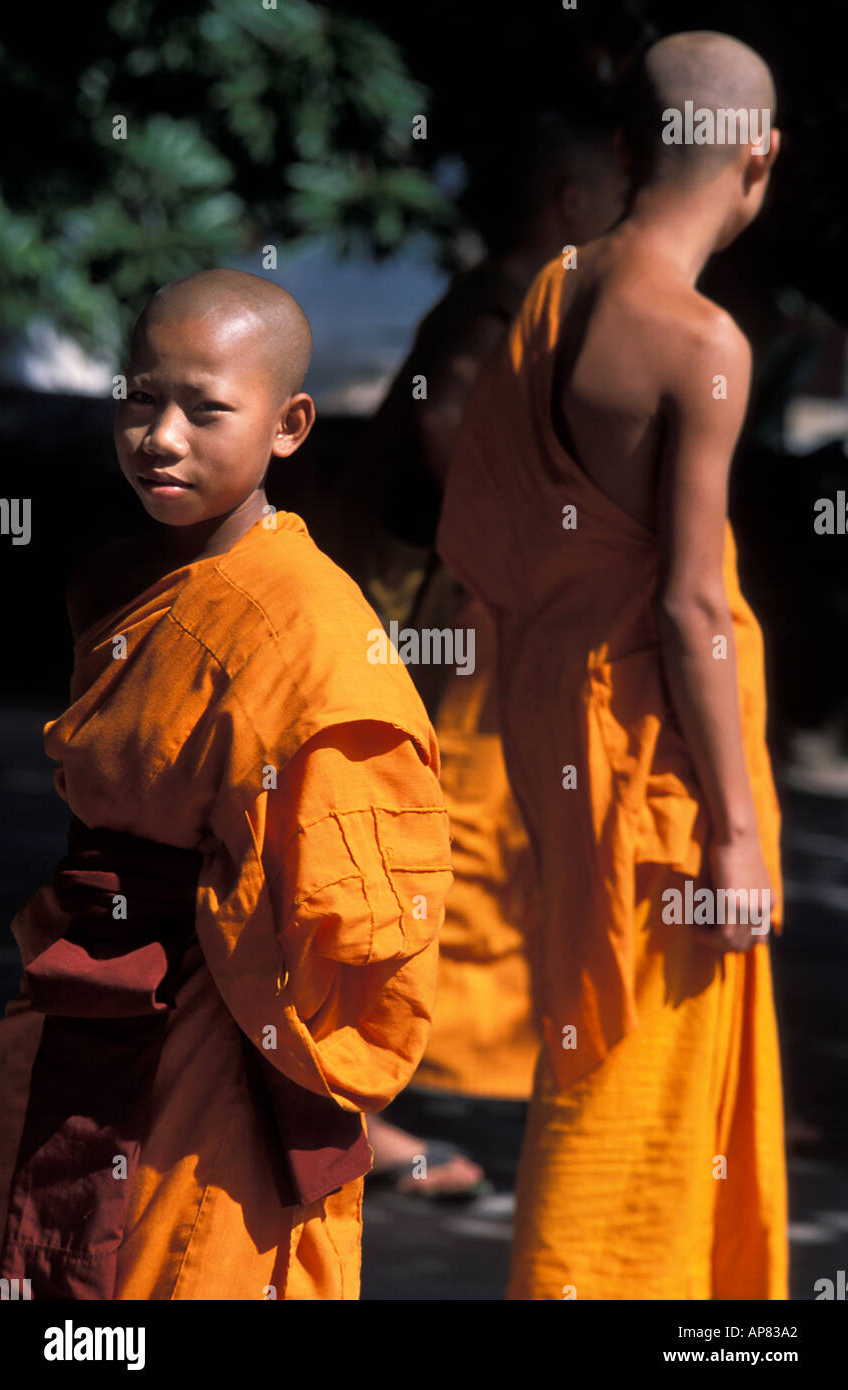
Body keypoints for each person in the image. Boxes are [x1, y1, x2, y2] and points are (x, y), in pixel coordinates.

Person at [0, 269, 452, 1300]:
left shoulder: (314, 628)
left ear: (290, 425)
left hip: (218, 1019)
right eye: (140, 397)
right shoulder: (108, 583)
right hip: (83, 979)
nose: (161, 436)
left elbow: (349, 904)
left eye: (205, 409)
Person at [438, 31, 787, 1297]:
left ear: (632, 147)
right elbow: (692, 602)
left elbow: (488, 532)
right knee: (629, 1062)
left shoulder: (554, 287)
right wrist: (740, 834)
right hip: (654, 761)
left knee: (598, 1030)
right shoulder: (698, 341)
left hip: (559, 717)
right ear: (759, 162)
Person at [313, 111, 626, 1196]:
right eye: (621, 200)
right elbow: (448, 423)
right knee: (374, 859)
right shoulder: (503, 300)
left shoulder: (525, 301)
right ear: (573, 207)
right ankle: (342, 1115)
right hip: (413, 619)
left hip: (438, 621)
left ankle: (366, 1104)